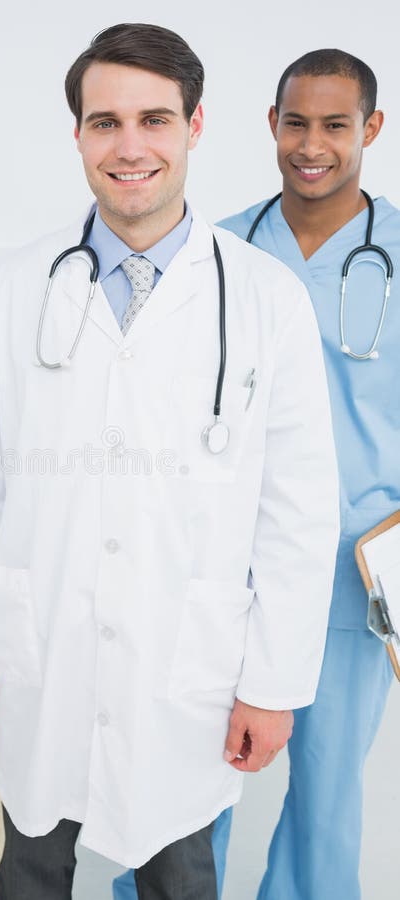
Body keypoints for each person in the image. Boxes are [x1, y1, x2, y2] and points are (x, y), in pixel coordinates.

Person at [0, 24, 340, 900]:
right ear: (77, 134)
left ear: (195, 127)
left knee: (179, 873)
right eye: (104, 121)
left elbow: (298, 509)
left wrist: (272, 683)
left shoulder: (266, 299)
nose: (129, 147)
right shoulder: (15, 287)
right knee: (33, 865)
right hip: (43, 644)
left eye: (154, 119)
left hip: (184, 662)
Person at [212, 49, 398, 900]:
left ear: (371, 129)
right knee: (189, 779)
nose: (311, 144)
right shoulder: (218, 252)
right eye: (296, 122)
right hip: (222, 555)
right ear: (273, 126)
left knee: (328, 793)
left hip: (353, 563)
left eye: (334, 124)